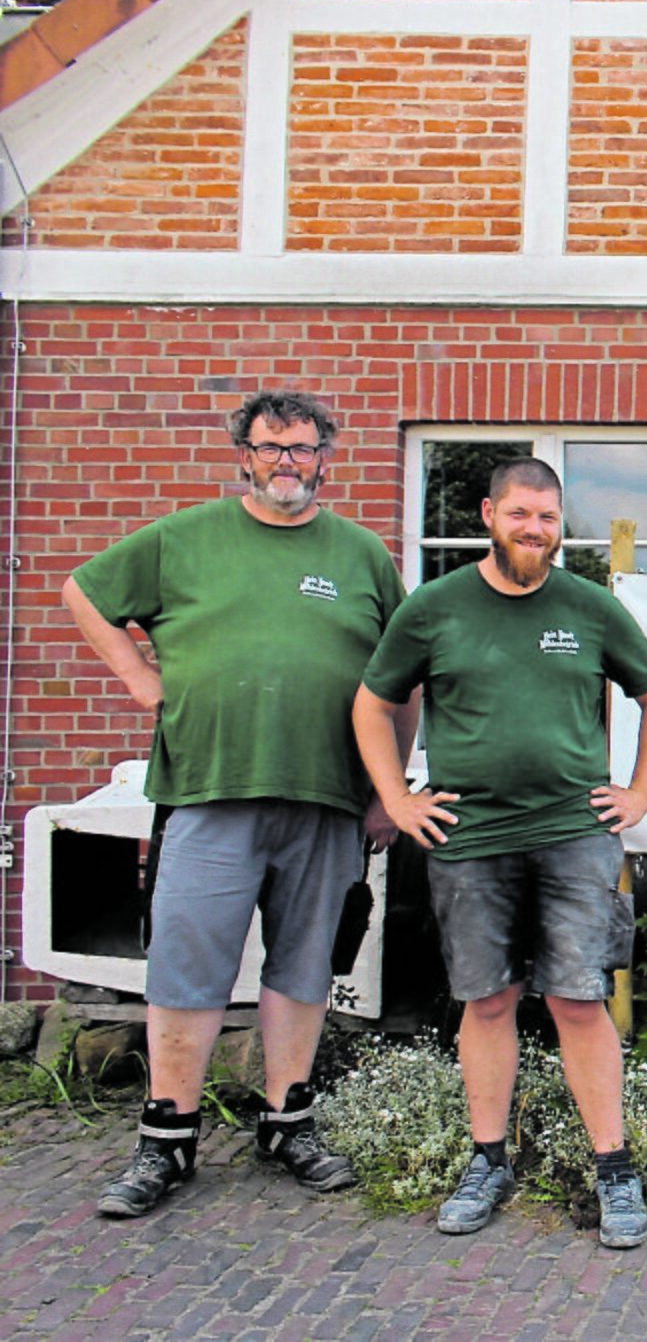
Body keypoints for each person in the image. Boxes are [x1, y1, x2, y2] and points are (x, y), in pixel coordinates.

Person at [63, 390, 411, 1218]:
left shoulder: (363, 556)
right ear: (243, 456)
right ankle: (167, 1140)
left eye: (301, 448)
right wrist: (142, 680)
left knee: (303, 968)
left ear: (327, 459)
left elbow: (403, 682)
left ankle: (287, 1122)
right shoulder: (184, 538)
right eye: (270, 448)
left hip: (328, 798)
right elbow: (83, 593)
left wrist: (389, 791)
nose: (286, 462)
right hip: (207, 790)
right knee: (187, 967)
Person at [352, 457, 647, 1250]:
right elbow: (373, 702)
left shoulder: (589, 606)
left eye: (549, 517)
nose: (536, 530)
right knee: (488, 1000)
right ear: (488, 515)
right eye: (521, 513)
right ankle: (488, 1160)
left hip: (573, 835)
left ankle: (614, 1169)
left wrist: (638, 795)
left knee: (577, 999)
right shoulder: (434, 608)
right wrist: (397, 800)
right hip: (471, 839)